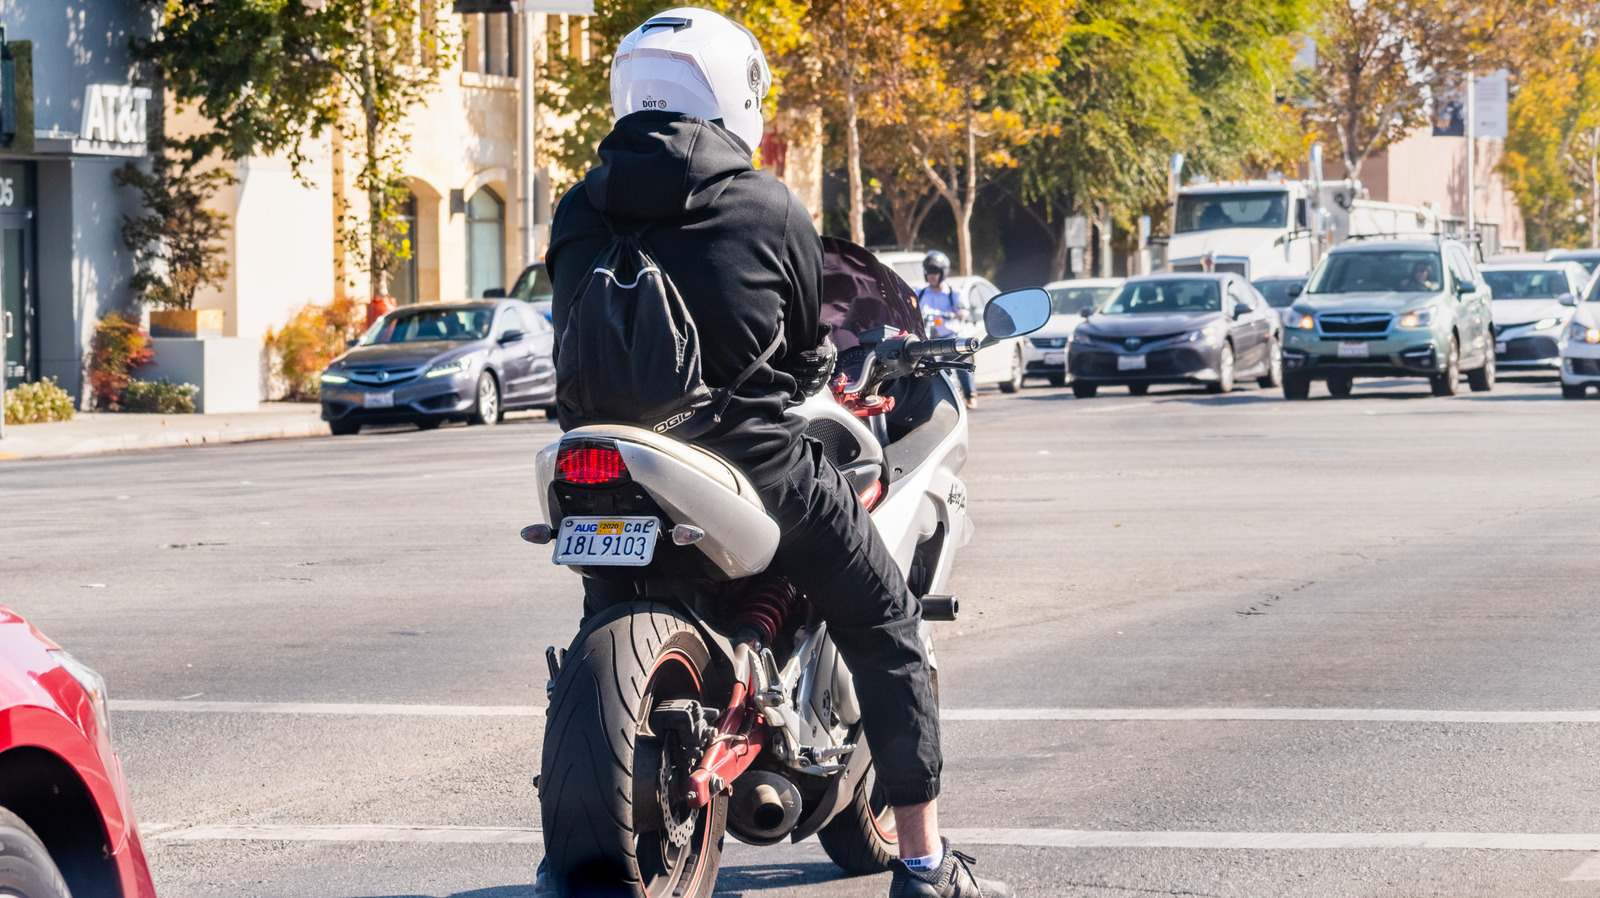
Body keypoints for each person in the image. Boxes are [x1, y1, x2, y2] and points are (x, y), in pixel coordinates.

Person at [541, 8, 1013, 898]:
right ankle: (923, 862)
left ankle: (575, 822)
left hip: (601, 463)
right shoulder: (762, 202)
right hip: (753, 464)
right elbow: (802, 354)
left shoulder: (577, 206)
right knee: (886, 623)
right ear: (733, 94)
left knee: (591, 627)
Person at [917, 251, 978, 409]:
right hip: (929, 339)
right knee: (921, 367)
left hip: (950, 338)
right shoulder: (920, 293)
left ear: (943, 273)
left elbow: (963, 311)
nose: (932, 276)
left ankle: (971, 395)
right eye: (929, 272)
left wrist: (957, 314)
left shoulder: (954, 293)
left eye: (935, 272)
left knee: (962, 360)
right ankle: (925, 401)